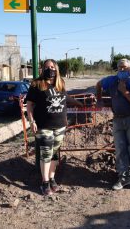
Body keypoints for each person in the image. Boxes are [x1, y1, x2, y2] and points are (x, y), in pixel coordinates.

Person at [26, 59, 82, 196]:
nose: (49, 69)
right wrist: (32, 121)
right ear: (42, 69)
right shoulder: (36, 84)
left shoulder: (60, 83)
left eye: (52, 67)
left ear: (56, 69)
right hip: (43, 126)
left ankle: (52, 179)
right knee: (46, 154)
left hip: (60, 126)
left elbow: (65, 98)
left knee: (54, 155)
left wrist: (80, 103)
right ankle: (44, 183)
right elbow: (29, 106)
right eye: (46, 67)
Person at [96, 58, 130, 190]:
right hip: (117, 119)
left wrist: (124, 92)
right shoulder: (111, 80)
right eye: (120, 67)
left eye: (125, 68)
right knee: (120, 148)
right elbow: (98, 84)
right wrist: (99, 99)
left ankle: (129, 173)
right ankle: (124, 177)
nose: (122, 70)